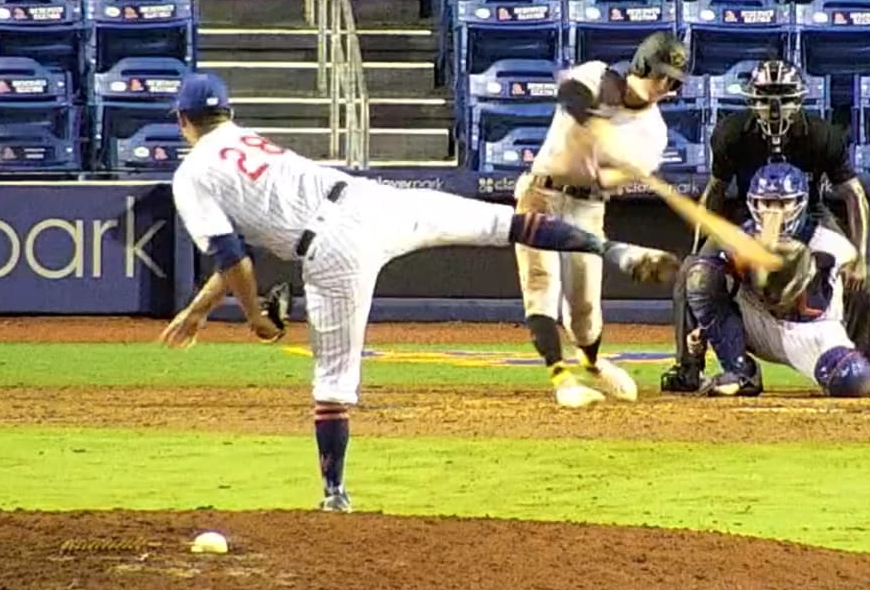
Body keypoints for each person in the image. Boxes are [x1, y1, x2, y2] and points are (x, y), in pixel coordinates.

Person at [159, 73, 678, 511]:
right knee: (503, 223)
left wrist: (253, 319)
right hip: (372, 200)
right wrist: (200, 309)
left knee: (334, 383)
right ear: (227, 112)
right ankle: (616, 251)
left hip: (333, 249)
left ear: (183, 122)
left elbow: (233, 258)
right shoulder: (249, 141)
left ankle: (334, 494)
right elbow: (240, 251)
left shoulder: (193, 173)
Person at [662, 59, 870, 394]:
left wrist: (858, 255)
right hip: (749, 215)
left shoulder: (820, 134)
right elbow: (714, 190)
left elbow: (854, 193)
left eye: (782, 96)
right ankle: (689, 366)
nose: (773, 106)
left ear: (798, 98)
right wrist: (699, 251)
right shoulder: (731, 133)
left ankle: (869, 361)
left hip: (808, 214)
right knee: (691, 275)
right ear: (751, 98)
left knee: (865, 281)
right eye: (765, 96)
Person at [515, 30, 689, 408]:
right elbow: (570, 96)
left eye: (672, 81)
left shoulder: (653, 131)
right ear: (641, 64)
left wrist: (607, 161)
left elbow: (606, 180)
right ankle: (561, 378)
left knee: (585, 307)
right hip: (541, 194)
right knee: (541, 284)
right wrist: (595, 123)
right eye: (659, 75)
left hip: (588, 207)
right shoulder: (596, 76)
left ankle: (591, 361)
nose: (664, 85)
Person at [683, 162, 870, 399]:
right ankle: (740, 372)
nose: (773, 212)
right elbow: (713, 288)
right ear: (753, 203)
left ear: (799, 204)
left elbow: (786, 285)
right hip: (759, 325)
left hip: (813, 332)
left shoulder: (830, 244)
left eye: (782, 203)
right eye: (766, 203)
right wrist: (706, 331)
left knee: (855, 381)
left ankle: (867, 364)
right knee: (701, 275)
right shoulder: (738, 239)